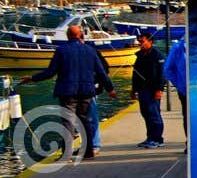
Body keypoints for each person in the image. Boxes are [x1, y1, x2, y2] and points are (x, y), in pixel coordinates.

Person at [25, 24, 112, 159]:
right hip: (86, 91)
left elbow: (50, 72)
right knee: (85, 120)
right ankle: (88, 151)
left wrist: (32, 78)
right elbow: (101, 72)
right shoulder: (90, 50)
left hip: (67, 92)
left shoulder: (61, 50)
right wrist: (110, 88)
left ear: (68, 35)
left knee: (68, 122)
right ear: (80, 35)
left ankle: (67, 153)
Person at [130, 32, 166, 148]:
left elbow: (162, 74)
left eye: (142, 41)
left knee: (154, 114)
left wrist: (159, 89)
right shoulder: (140, 55)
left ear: (150, 41)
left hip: (153, 90)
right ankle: (150, 137)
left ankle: (158, 139)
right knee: (146, 114)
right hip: (142, 90)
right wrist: (133, 90)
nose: (140, 44)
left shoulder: (157, 55)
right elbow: (135, 74)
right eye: (139, 41)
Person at [164, 35, 189, 149]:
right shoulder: (178, 47)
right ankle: (189, 142)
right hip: (185, 91)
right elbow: (168, 69)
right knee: (188, 117)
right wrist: (180, 84)